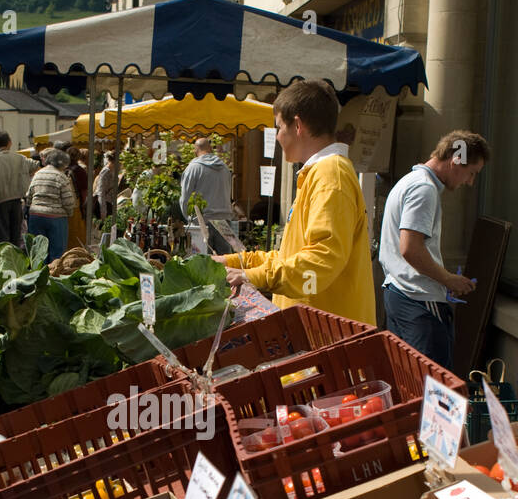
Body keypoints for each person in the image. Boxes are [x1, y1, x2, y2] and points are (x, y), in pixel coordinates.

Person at [215, 79, 376, 324]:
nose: (278, 136)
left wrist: (253, 276)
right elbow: (289, 257)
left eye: (279, 127)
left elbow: (320, 263)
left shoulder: (331, 174)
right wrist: (231, 262)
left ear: (298, 126)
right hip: (313, 335)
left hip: (327, 340)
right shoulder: (320, 174)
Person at [379, 130, 488, 369]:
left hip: (399, 293)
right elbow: (410, 248)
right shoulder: (424, 189)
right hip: (417, 300)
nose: (469, 182)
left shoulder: (410, 181)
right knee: (434, 390)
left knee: (410, 383)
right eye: (472, 173)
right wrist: (448, 279)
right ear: (456, 159)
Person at [25, 148, 76, 262]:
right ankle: (53, 276)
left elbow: (29, 196)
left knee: (38, 252)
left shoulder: (37, 174)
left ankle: (39, 276)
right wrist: (69, 213)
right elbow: (68, 201)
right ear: (62, 164)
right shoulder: (61, 176)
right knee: (57, 253)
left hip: (36, 215)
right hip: (56, 218)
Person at [0, 131, 31, 245]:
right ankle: (15, 260)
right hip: (16, 200)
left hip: (0, 202)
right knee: (16, 236)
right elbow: (33, 166)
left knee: (3, 236)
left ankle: (6, 260)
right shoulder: (19, 158)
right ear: (9, 142)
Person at [179, 137, 233, 221]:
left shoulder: (193, 168)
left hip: (203, 220)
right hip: (224, 220)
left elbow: (185, 197)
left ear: (195, 150)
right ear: (211, 149)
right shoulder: (225, 168)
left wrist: (189, 218)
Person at [93, 151, 116, 221]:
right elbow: (101, 192)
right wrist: (103, 212)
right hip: (104, 205)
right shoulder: (106, 172)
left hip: (108, 204)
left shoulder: (111, 171)